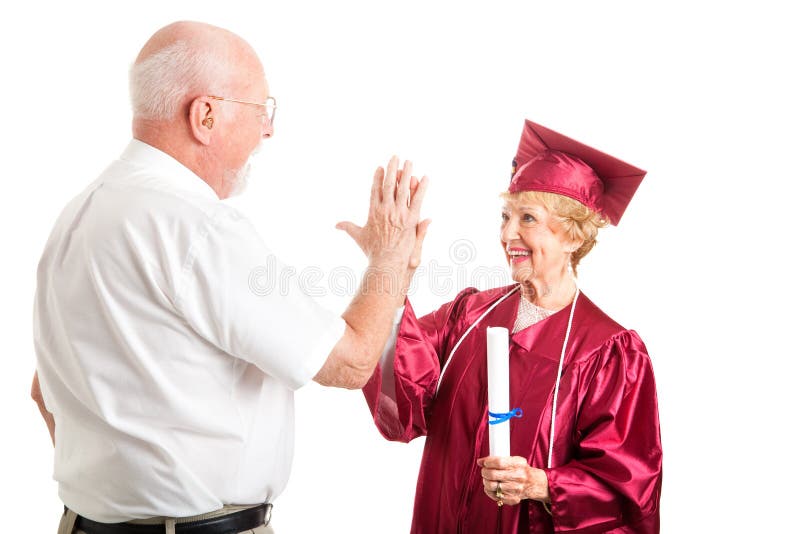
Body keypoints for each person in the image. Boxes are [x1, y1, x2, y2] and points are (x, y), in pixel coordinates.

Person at [31, 21, 429, 534]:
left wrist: (115, 499)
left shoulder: (77, 216)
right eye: (261, 109)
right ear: (205, 115)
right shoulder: (199, 227)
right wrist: (390, 260)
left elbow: (44, 390)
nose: (268, 130)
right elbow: (351, 363)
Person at [354, 120, 662, 532]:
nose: (507, 233)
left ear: (573, 237)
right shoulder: (469, 315)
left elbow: (628, 488)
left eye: (527, 218)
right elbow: (401, 402)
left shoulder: (610, 352)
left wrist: (542, 484)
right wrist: (394, 273)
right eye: (505, 216)